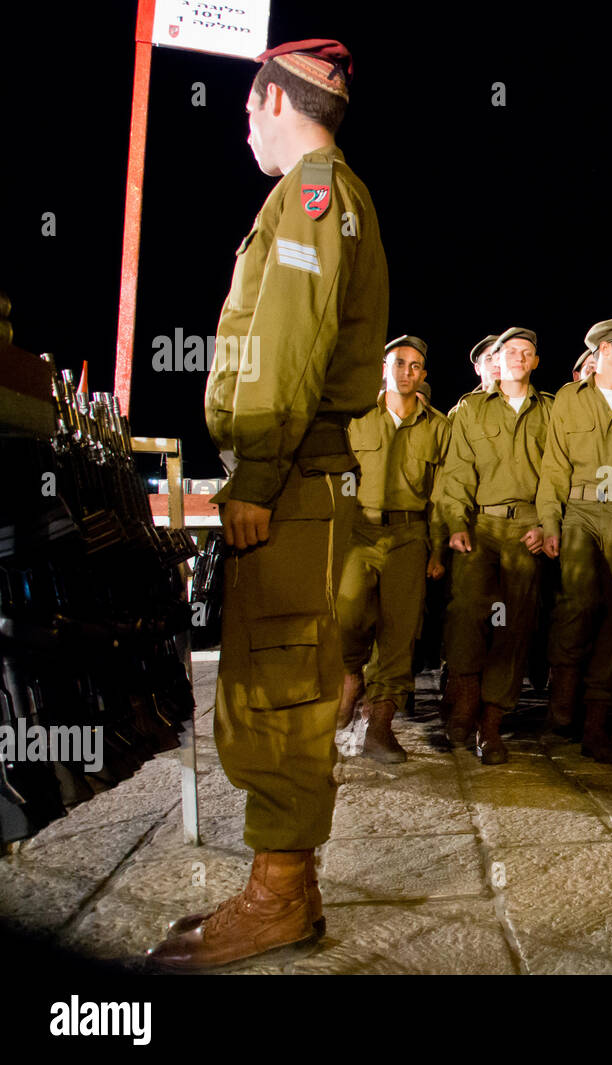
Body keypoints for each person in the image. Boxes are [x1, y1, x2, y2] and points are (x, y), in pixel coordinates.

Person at [150, 39, 388, 970]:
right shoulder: (327, 197)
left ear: (275, 99)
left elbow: (288, 342)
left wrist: (252, 477)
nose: (245, 125)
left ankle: (279, 894)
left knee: (276, 687)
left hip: (284, 481)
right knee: (279, 676)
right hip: (298, 475)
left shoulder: (311, 194)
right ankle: (293, 882)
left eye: (249, 110)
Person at [538, 319, 612, 762]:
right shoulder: (569, 399)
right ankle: (560, 712)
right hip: (579, 511)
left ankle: (595, 724)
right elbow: (554, 465)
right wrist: (550, 522)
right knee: (577, 602)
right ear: (604, 350)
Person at [335, 336, 451, 762]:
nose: (408, 371)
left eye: (416, 365)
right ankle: (350, 677)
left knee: (400, 631)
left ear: (422, 374)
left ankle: (379, 725)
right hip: (358, 531)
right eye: (400, 363)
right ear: (385, 367)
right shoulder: (357, 417)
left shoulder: (437, 426)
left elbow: (441, 494)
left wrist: (437, 549)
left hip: (409, 535)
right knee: (347, 614)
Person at [440, 327, 551, 764]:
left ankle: (491, 723)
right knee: (468, 616)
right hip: (480, 526)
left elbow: (556, 474)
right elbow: (456, 473)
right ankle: (464, 701)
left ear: (535, 362)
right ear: (497, 362)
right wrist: (455, 523)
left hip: (526, 528)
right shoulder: (470, 410)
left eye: (528, 351)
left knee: (513, 627)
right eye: (510, 351)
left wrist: (546, 524)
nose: (519, 357)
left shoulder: (551, 411)